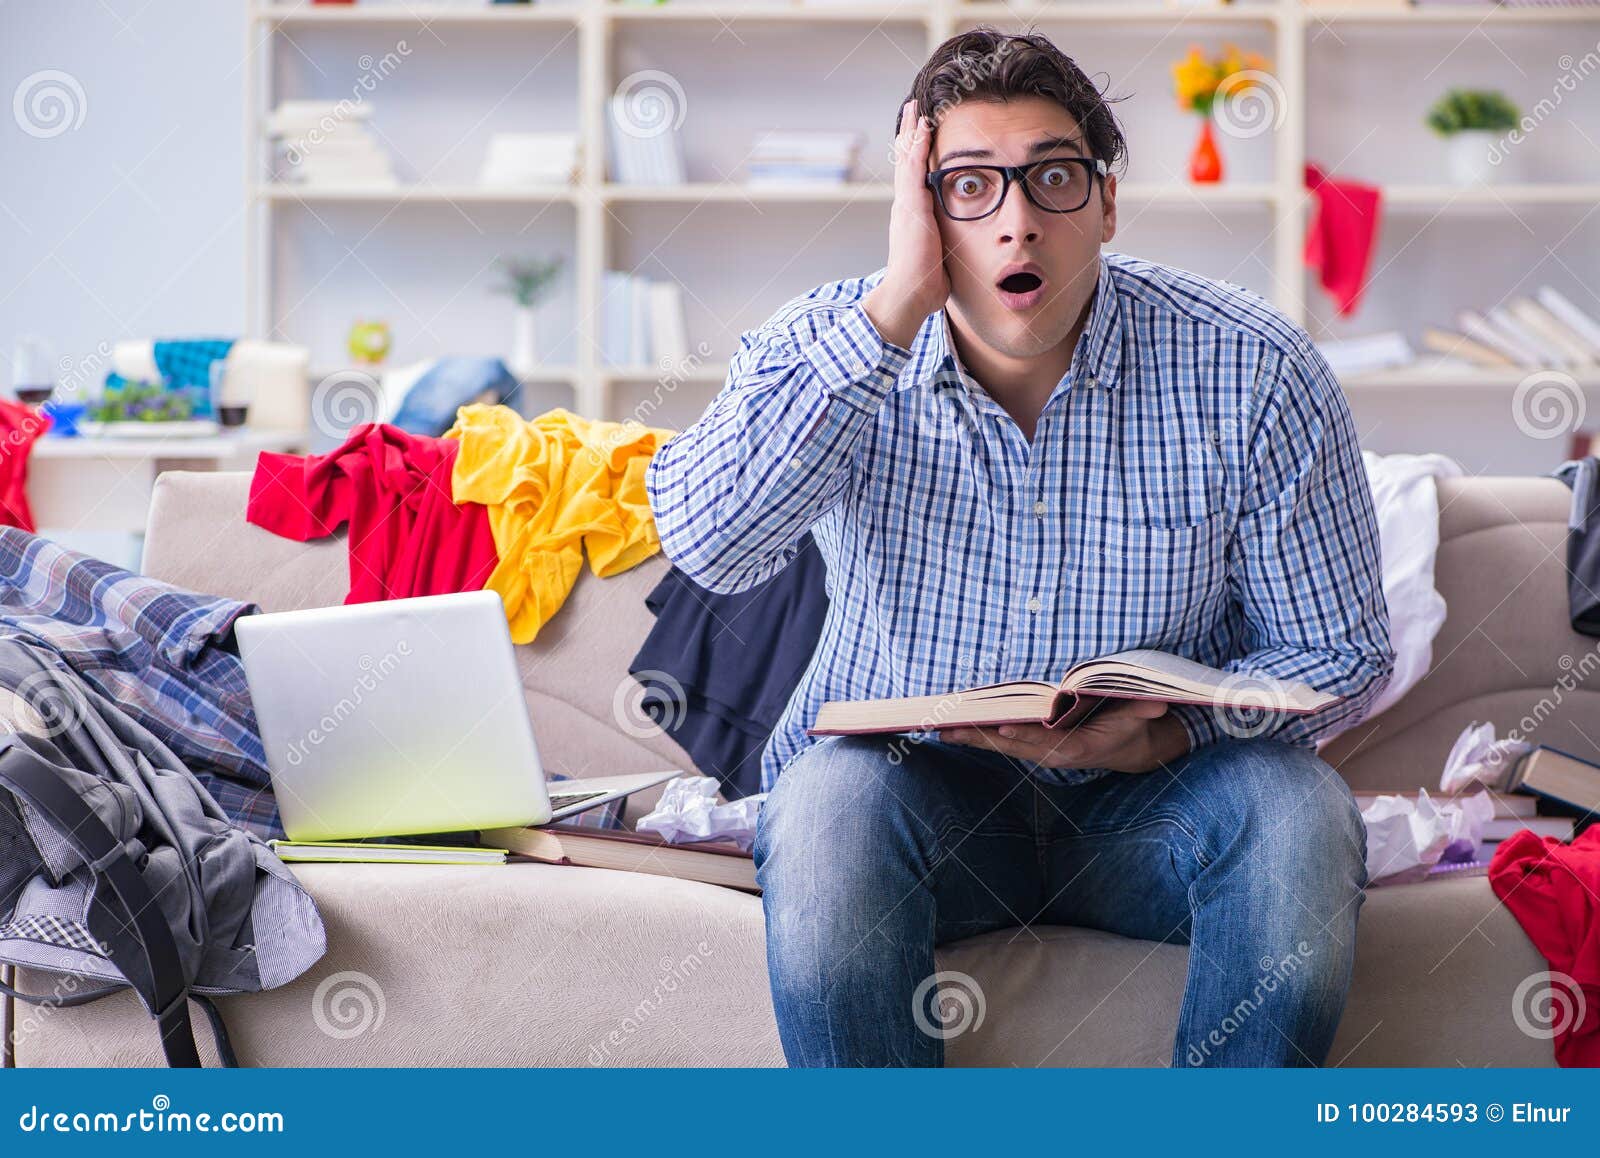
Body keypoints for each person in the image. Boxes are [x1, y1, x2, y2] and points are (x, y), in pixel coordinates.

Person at [644, 29, 1394, 1067]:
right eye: (967, 188)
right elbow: (707, 546)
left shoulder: (1252, 367)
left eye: (1051, 178)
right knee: (822, 805)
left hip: (1157, 809)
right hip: (911, 802)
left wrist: (1168, 739)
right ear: (919, 210)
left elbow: (1337, 650)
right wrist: (894, 308)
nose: (1017, 224)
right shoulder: (829, 340)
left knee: (1299, 812)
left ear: (1106, 202)